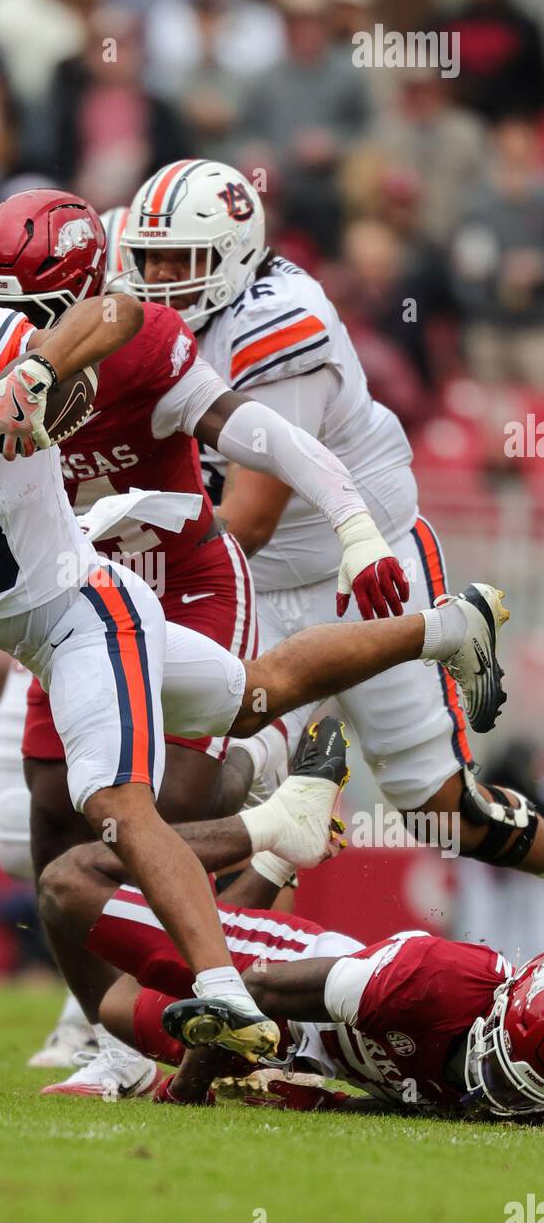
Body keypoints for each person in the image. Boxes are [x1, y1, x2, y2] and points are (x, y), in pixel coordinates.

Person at [0, 238, 507, 1076]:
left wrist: (35, 371)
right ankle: (445, 631)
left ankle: (224, 991)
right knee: (253, 697)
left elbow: (118, 310)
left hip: (83, 613)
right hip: (48, 628)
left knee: (114, 804)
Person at [120, 157, 542, 876]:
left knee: (446, 815)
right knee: (205, 796)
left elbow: (249, 517)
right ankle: (230, 973)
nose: (159, 280)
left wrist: (115, 556)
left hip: (359, 576)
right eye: (147, 260)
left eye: (179, 261)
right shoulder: (133, 303)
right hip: (249, 590)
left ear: (233, 255)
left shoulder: (277, 323)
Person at [39, 720, 544, 1120]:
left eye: (508, 1086)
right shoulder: (438, 980)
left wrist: (326, 1100)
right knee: (70, 881)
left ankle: (279, 854)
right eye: (497, 1073)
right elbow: (252, 991)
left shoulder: (523, 1095)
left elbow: (419, 1101)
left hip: (291, 1049)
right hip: (287, 972)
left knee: (115, 1005)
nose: (490, 1093)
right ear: (495, 1018)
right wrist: (184, 1092)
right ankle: (272, 828)